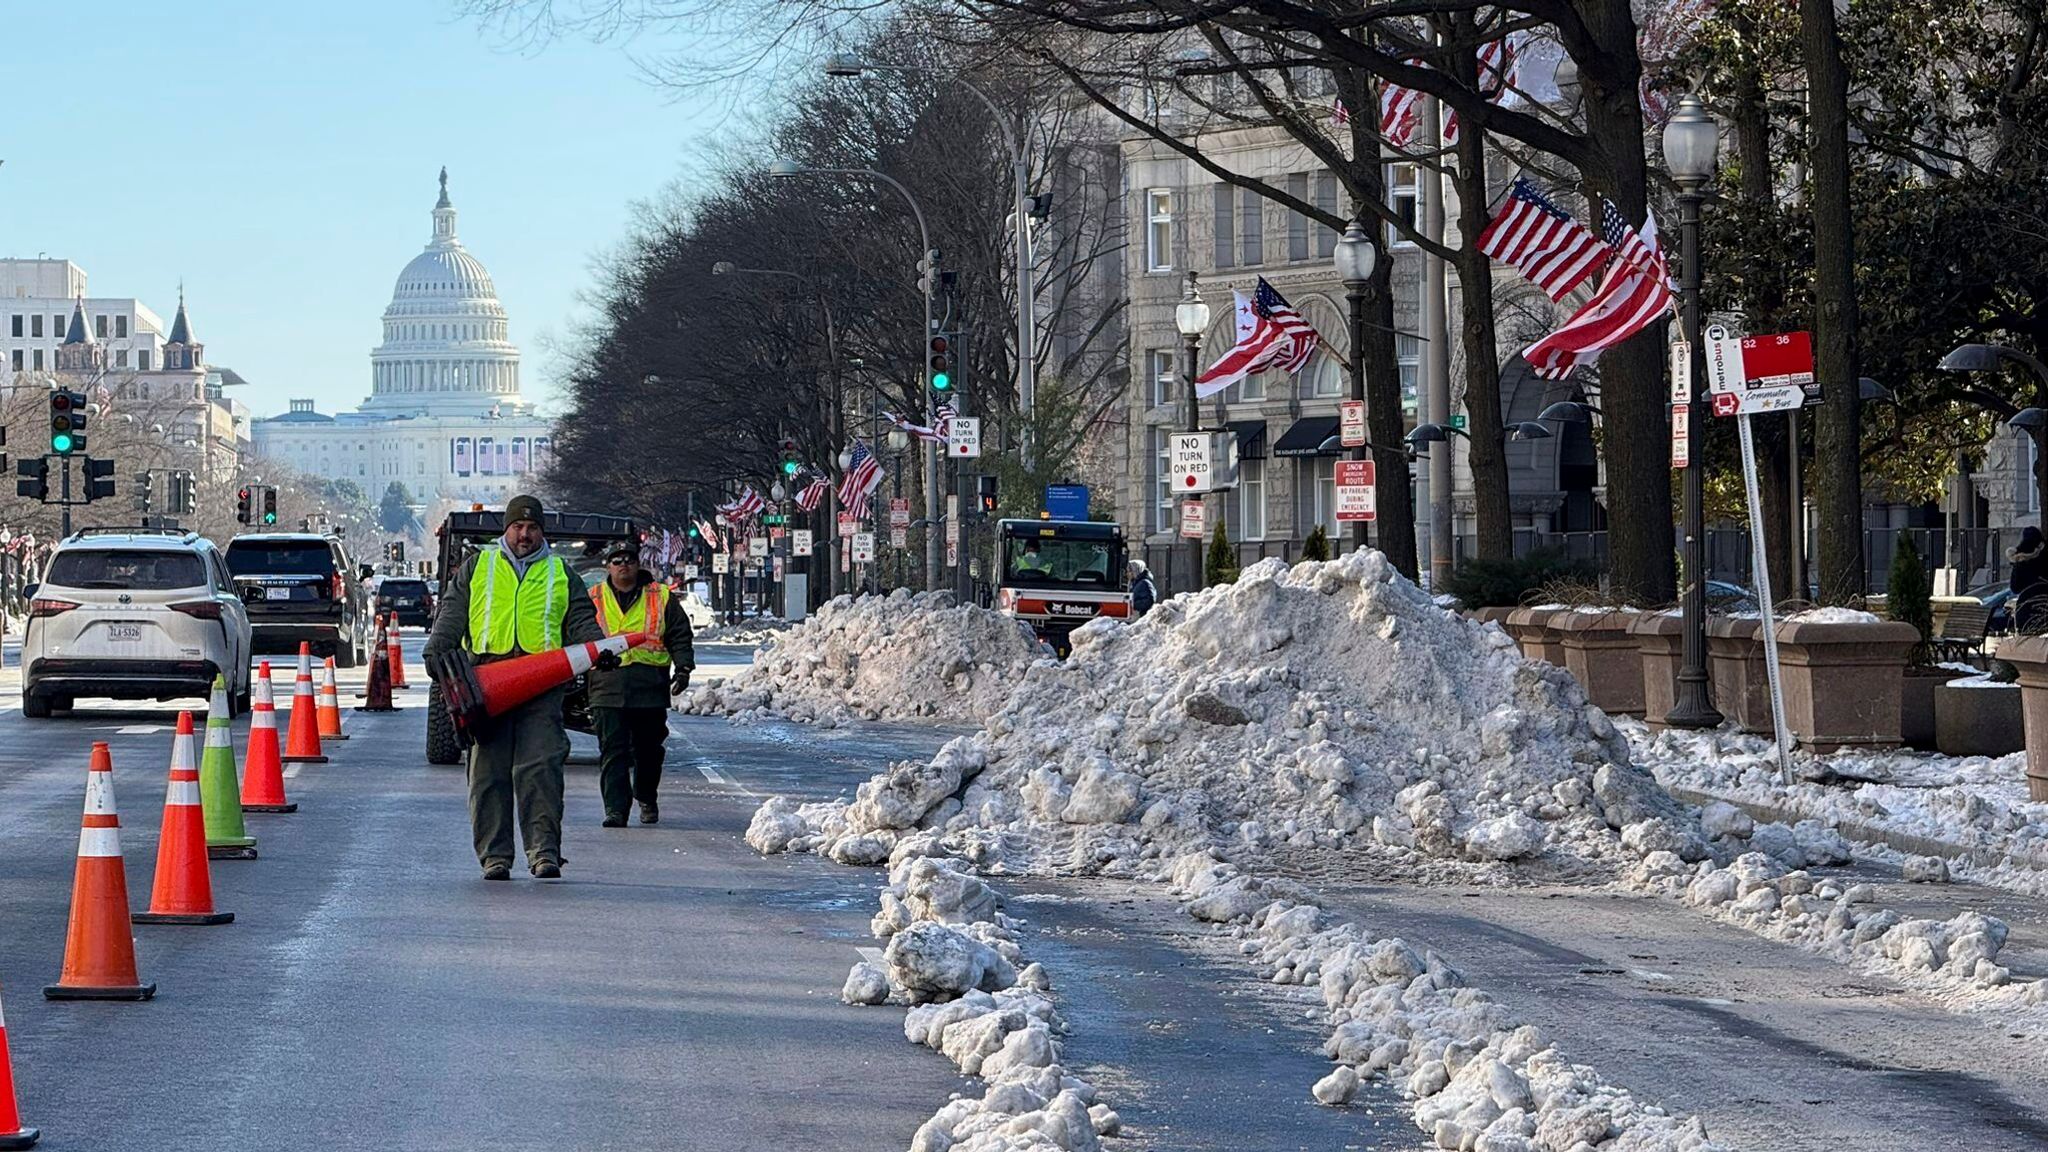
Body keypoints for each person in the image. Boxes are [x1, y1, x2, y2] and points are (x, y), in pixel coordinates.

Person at [424, 495, 605, 881]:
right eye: (518, 527)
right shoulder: (478, 567)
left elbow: (581, 620)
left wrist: (597, 649)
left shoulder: (561, 573)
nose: (525, 534)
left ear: (542, 532)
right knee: (487, 774)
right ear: (506, 529)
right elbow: (452, 615)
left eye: (532, 528)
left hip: (542, 684)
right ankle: (495, 857)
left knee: (541, 768)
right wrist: (437, 651)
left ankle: (544, 853)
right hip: (487, 683)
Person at [588, 543, 695, 827]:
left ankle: (646, 796)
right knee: (613, 751)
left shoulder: (660, 596)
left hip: (649, 687)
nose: (623, 565)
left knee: (648, 751)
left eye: (629, 560)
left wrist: (683, 668)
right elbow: (576, 636)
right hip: (607, 687)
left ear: (638, 564)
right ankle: (615, 809)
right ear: (608, 567)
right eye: (617, 560)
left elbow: (679, 634)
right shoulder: (593, 598)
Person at [2012, 526, 2048, 633]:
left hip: (2025, 611)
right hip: (2043, 608)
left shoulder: (2021, 560)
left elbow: (2015, 587)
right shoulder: (2044, 557)